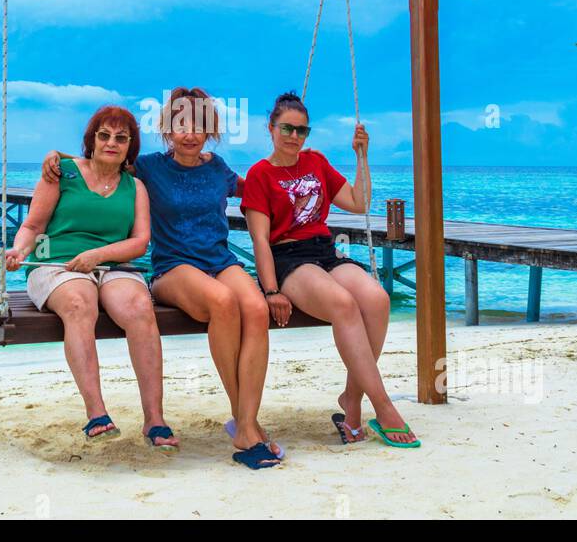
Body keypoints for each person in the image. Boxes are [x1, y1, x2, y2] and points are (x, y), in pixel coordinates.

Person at [43, 88, 278, 469]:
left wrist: (301, 177)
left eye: (199, 126)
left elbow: (261, 190)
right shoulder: (151, 167)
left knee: (255, 307)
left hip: (219, 260)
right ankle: (244, 427)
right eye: (181, 125)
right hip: (174, 267)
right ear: (168, 129)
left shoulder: (217, 168)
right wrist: (57, 157)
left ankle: (246, 420)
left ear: (211, 131)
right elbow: (103, 158)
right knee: (222, 302)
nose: (189, 134)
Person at [241, 91, 419, 448]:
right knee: (343, 304)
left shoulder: (316, 162)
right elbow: (260, 240)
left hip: (324, 250)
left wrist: (362, 156)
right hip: (287, 258)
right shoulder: (260, 174)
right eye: (287, 129)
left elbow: (359, 202)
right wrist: (272, 290)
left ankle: (351, 400)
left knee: (377, 298)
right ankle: (383, 407)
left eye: (302, 131)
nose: (294, 137)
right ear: (271, 128)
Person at [2, 105, 178, 451]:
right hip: (57, 264)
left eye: (121, 138)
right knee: (81, 302)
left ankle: (154, 418)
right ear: (91, 140)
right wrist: (18, 251)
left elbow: (139, 242)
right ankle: (97, 413)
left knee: (140, 308)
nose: (112, 143)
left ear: (130, 146)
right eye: (104, 135)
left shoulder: (136, 187)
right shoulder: (62, 173)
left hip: (110, 265)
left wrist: (98, 255)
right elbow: (33, 226)